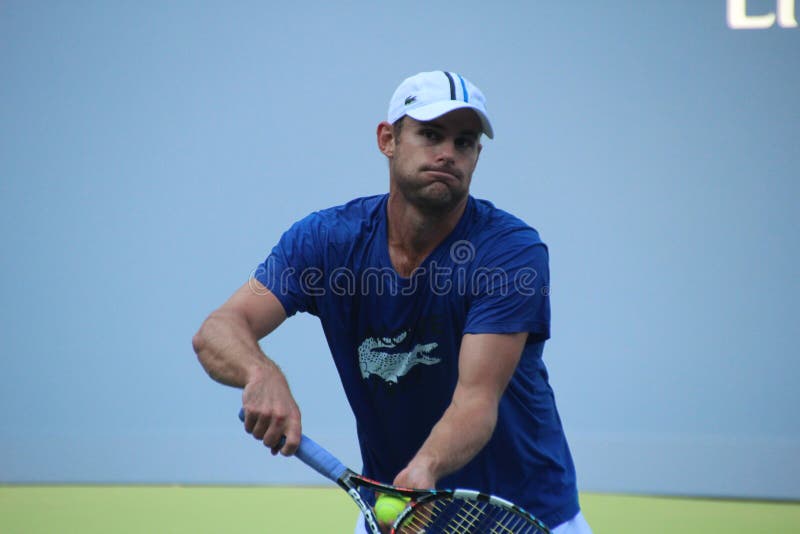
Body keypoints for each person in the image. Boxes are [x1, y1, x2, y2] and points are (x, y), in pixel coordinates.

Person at [193, 71, 591, 534]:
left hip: (521, 514)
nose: (447, 153)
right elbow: (220, 328)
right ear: (388, 140)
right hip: (397, 516)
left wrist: (423, 472)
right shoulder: (326, 241)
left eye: (464, 142)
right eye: (429, 134)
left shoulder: (509, 254)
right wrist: (259, 372)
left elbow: (476, 400)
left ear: (477, 156)